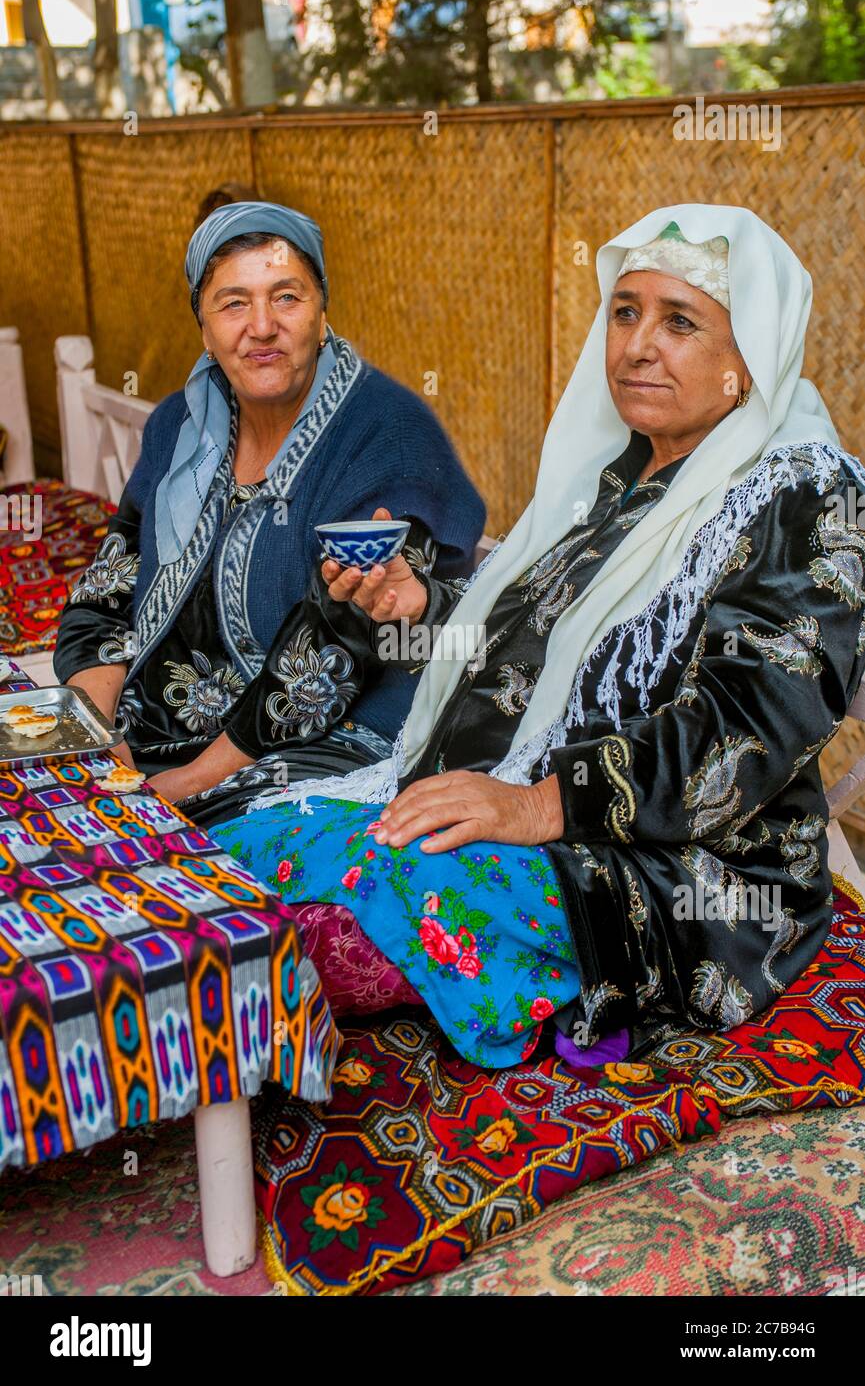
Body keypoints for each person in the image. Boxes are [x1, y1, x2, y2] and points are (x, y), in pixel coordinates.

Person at [208, 203, 865, 1070]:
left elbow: (746, 730)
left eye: (679, 322)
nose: (635, 344)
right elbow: (543, 652)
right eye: (624, 312)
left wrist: (532, 806)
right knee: (256, 830)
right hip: (531, 791)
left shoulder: (805, 494)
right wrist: (424, 606)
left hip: (691, 859)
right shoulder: (625, 475)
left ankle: (225, 1001)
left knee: (403, 888)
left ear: (748, 360)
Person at [53, 201, 486, 816]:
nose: (261, 326)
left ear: (322, 312)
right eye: (233, 303)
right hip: (153, 734)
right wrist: (98, 738)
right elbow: (109, 590)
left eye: (286, 297)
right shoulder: (179, 425)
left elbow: (334, 655)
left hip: (322, 740)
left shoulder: (388, 434)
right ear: (203, 326)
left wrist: (173, 789)